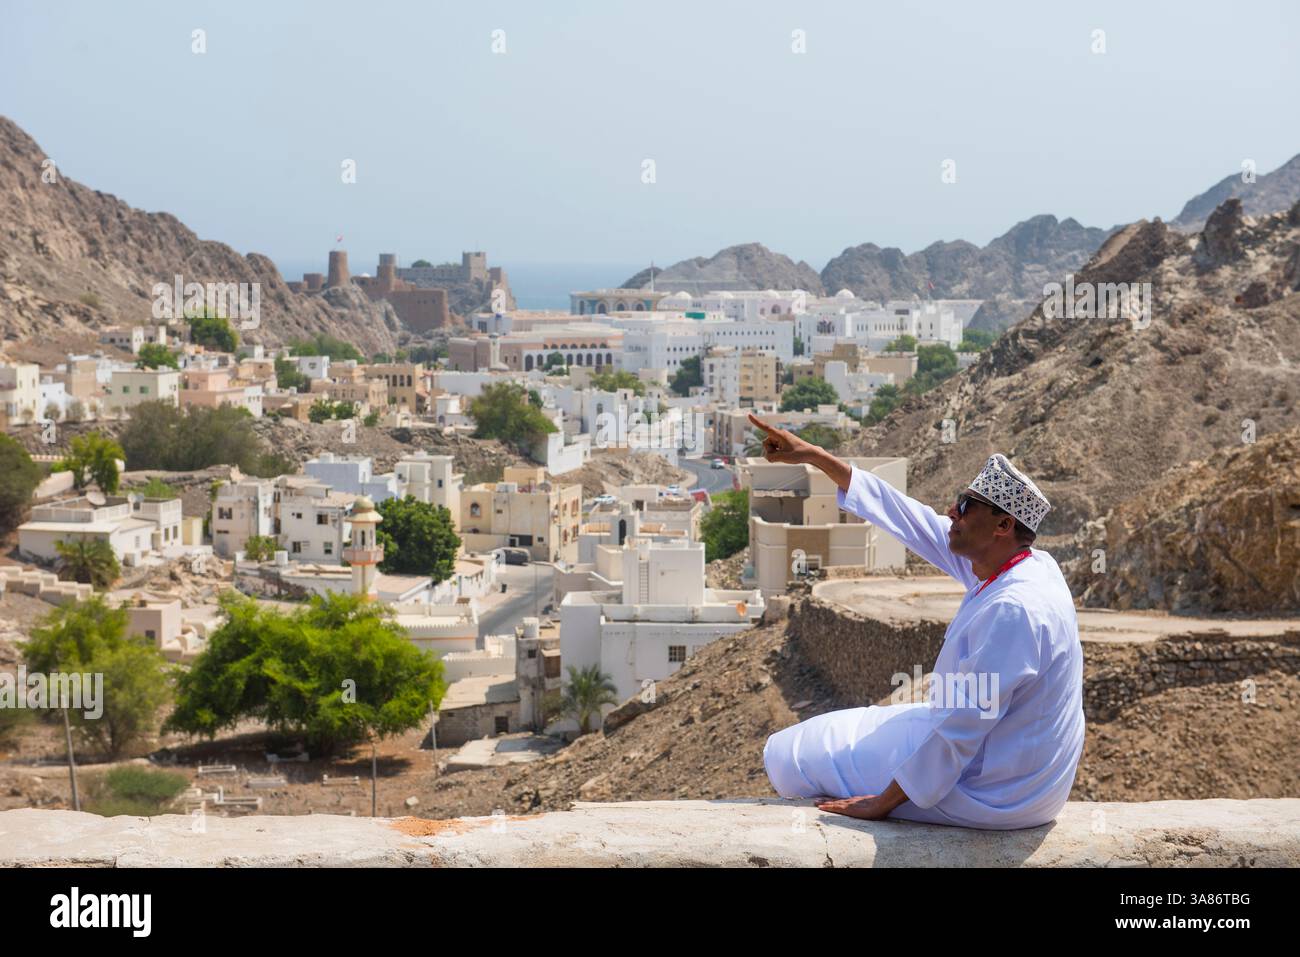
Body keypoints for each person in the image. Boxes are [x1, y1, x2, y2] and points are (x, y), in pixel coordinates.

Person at [750, 413, 1084, 830]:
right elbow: (911, 519)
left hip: (993, 791)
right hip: (1016, 769)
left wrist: (882, 803)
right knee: (838, 728)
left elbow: (961, 732)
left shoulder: (1014, 608)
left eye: (964, 506)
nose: (951, 512)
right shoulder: (1024, 565)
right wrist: (816, 457)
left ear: (1003, 524)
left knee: (791, 754)